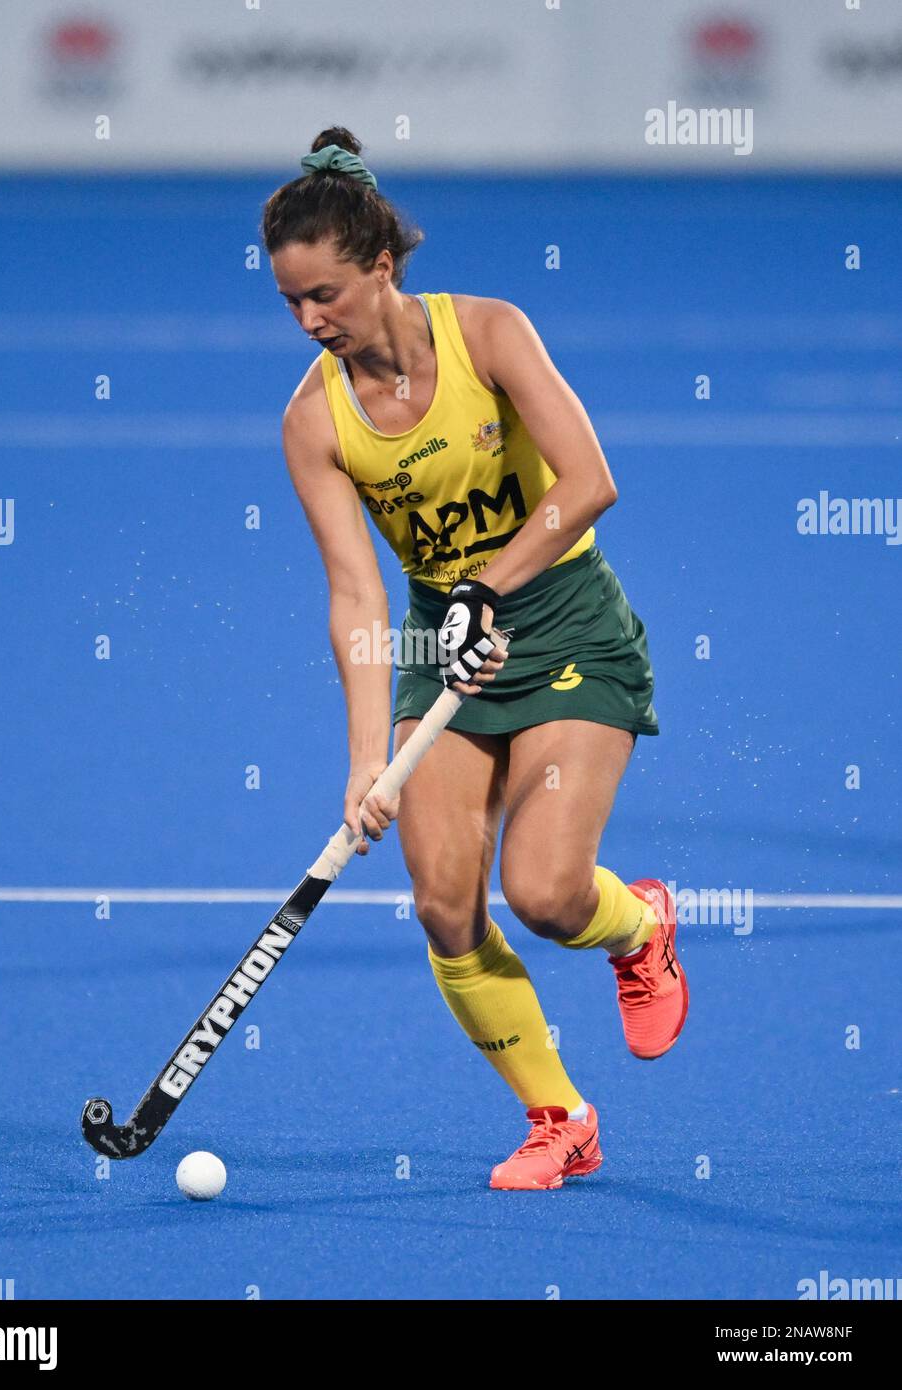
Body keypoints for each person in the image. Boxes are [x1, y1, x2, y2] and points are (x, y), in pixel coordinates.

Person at [264, 127, 687, 1191]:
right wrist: (367, 760)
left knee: (544, 892)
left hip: (565, 625)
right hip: (433, 646)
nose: (312, 322)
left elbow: (588, 480)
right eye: (291, 304)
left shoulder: (490, 332)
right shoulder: (315, 420)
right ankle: (560, 1117)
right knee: (445, 901)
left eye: (325, 295)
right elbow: (357, 592)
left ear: (381, 266)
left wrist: (482, 590)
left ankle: (640, 926)